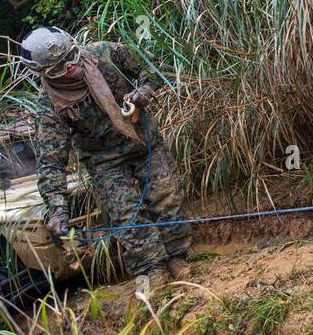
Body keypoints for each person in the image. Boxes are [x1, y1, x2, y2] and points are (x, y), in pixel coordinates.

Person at [20, 26, 188, 289]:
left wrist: (145, 90)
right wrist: (57, 210)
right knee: (127, 216)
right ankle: (152, 270)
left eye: (72, 57)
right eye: (59, 67)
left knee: (168, 197)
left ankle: (178, 259)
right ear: (42, 74)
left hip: (143, 141)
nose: (71, 67)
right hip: (104, 161)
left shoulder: (106, 53)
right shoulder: (51, 107)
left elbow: (151, 69)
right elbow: (51, 161)